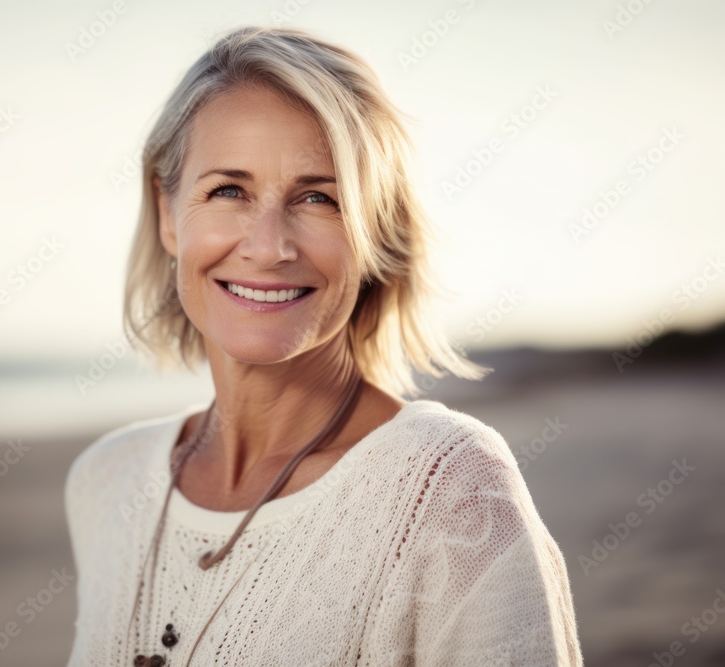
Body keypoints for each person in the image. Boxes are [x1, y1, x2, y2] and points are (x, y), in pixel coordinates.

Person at [65, 25, 583, 666]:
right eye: (229, 190)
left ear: (376, 234)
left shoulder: (448, 489)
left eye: (319, 198)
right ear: (168, 212)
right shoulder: (106, 482)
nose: (268, 245)